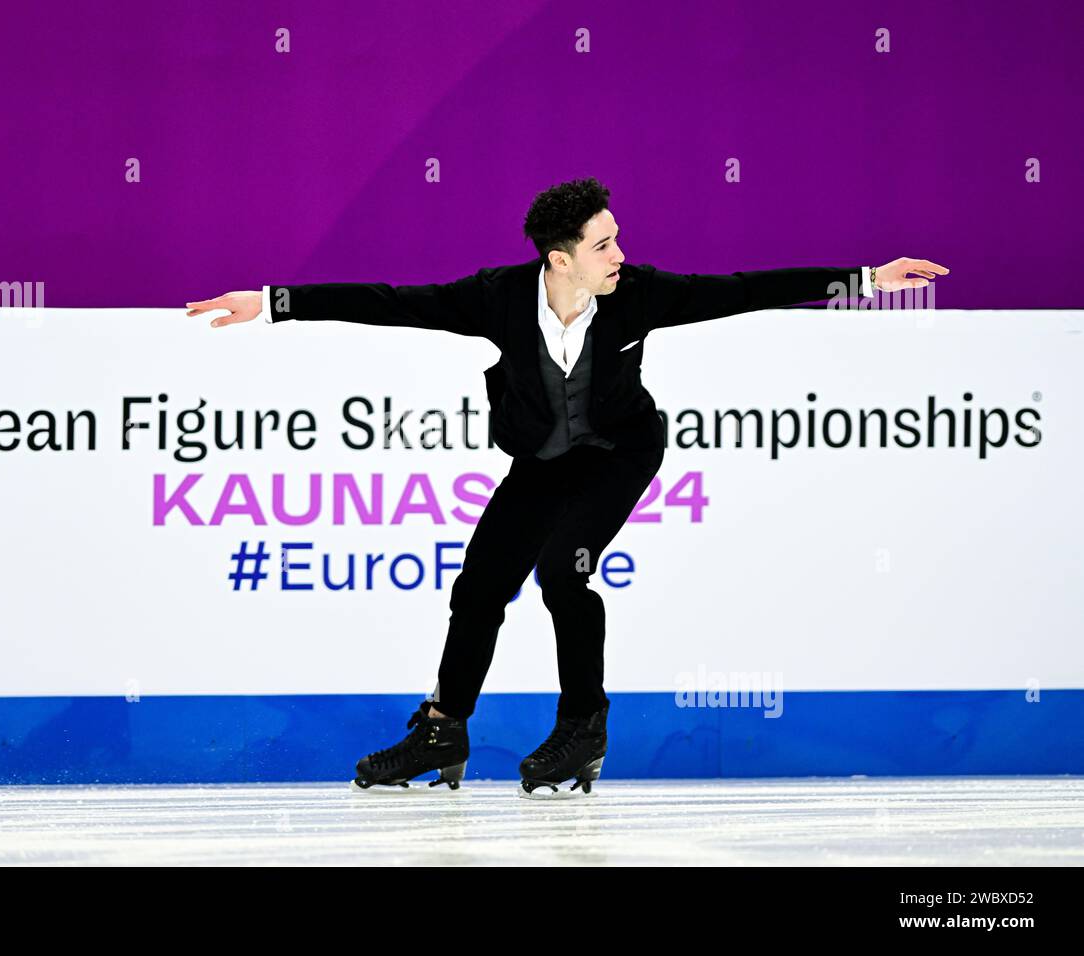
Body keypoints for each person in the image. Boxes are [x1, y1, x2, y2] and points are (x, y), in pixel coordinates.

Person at [185, 176, 948, 795]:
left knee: (564, 570)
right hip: (544, 462)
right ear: (560, 258)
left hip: (619, 453)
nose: (621, 253)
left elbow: (743, 289)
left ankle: (584, 726)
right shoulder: (496, 298)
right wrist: (272, 304)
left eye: (617, 239)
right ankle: (443, 730)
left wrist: (866, 280)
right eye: (604, 243)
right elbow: (390, 302)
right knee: (479, 585)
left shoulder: (640, 294)